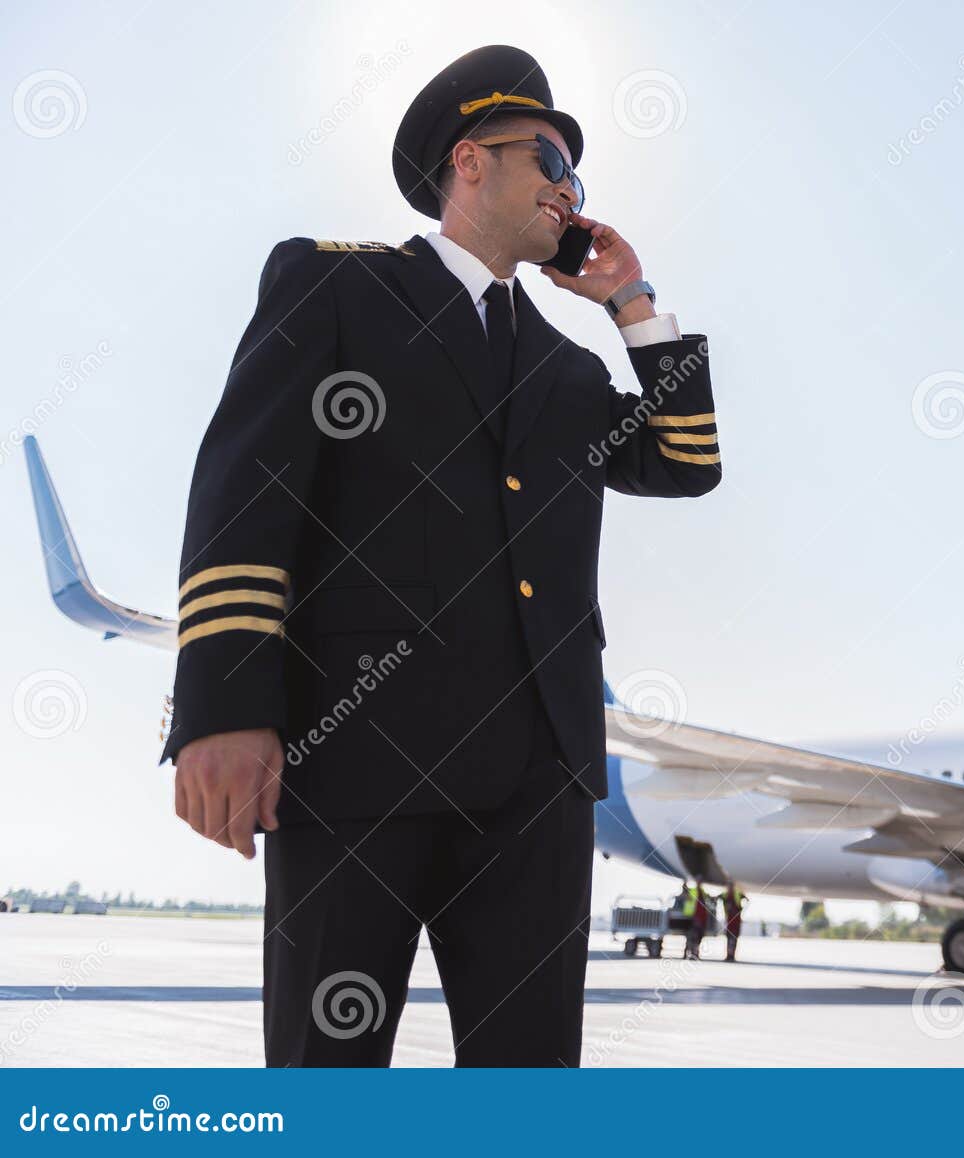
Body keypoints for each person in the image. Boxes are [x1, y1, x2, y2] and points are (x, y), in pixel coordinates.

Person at [159, 44, 721, 1067]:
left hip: (538, 786)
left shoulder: (565, 368)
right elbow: (246, 495)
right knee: (327, 1081)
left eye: (578, 176)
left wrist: (632, 303)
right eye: (551, 160)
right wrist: (223, 709)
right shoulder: (336, 285)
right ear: (470, 161)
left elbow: (685, 463)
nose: (569, 190)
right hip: (356, 757)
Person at [686, 881, 710, 961]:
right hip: (695, 918)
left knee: (698, 938)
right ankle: (692, 953)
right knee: (693, 938)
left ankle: (694, 953)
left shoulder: (703, 893)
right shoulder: (693, 891)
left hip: (701, 919)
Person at [722, 884, 744, 962]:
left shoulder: (737, 895)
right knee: (729, 939)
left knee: (733, 940)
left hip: (735, 923)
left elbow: (745, 900)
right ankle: (729, 955)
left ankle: (732, 956)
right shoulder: (725, 895)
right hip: (730, 922)